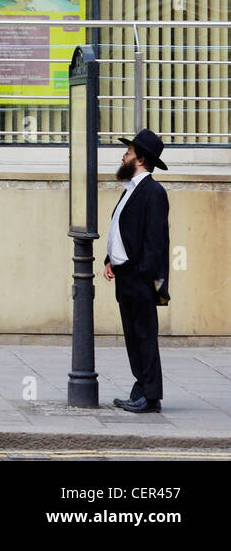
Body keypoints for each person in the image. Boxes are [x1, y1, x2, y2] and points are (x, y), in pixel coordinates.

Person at [102, 129, 171, 413]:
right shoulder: (131, 190)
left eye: (128, 153)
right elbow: (123, 231)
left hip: (139, 277)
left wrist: (142, 275)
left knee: (144, 336)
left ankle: (151, 395)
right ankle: (140, 388)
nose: (124, 156)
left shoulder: (153, 192)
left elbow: (155, 242)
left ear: (140, 159)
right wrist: (110, 260)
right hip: (125, 275)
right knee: (133, 336)